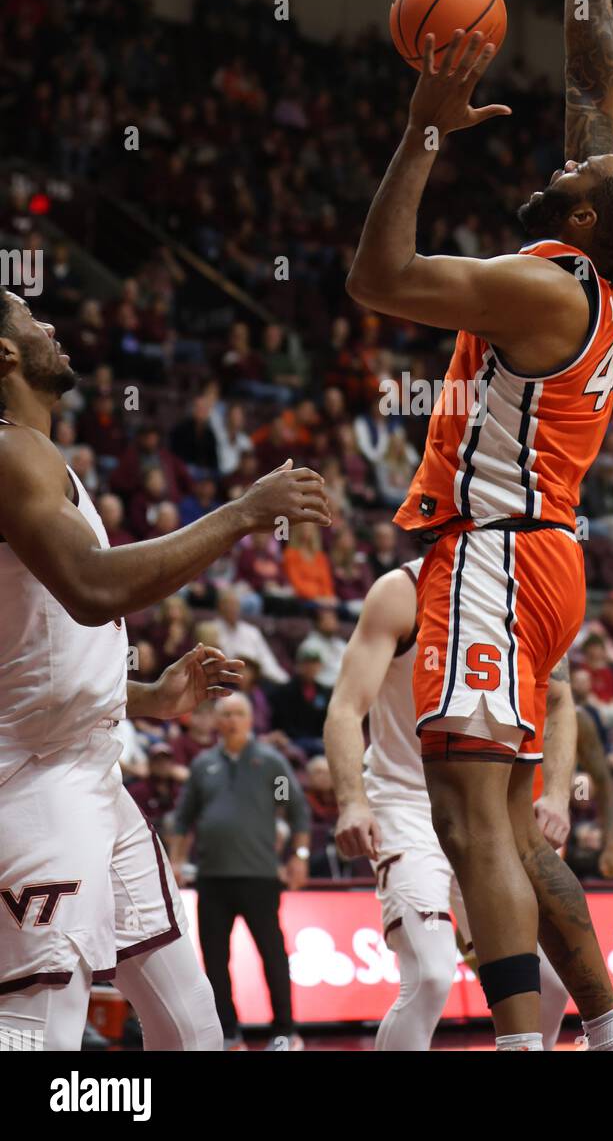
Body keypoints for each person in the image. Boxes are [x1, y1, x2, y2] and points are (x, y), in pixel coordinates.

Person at [346, 0, 613, 1050]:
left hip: (498, 559)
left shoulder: (544, 285)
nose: (567, 152)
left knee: (466, 822)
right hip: (540, 562)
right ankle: (608, 1035)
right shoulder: (599, 268)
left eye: (577, 167)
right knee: (503, 827)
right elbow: (594, 75)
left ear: (579, 216)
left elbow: (378, 276)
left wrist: (419, 128)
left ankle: (518, 1043)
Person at [0, 289, 329, 1051]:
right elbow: (93, 589)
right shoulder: (13, 449)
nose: (52, 325)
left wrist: (147, 697)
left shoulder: (41, 457)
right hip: (35, 788)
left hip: (90, 775)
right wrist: (243, 512)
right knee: (39, 1033)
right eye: (30, 319)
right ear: (6, 355)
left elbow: (37, 645)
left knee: (195, 1029)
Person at [325, 563, 584, 1051]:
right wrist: (351, 802)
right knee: (430, 975)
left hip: (487, 809)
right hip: (405, 801)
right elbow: (345, 707)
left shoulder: (529, 593)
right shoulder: (401, 591)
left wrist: (555, 795)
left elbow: (562, 703)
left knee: (549, 982)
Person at [170, 692, 312, 1050]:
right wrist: (175, 860)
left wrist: (299, 854)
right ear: (217, 722)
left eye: (238, 713)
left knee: (273, 956)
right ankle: (228, 1032)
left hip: (260, 877)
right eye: (226, 714)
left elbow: (295, 810)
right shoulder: (204, 766)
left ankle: (284, 1031)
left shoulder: (270, 764)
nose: (232, 720)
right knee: (215, 961)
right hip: (212, 878)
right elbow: (183, 818)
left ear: (251, 720)